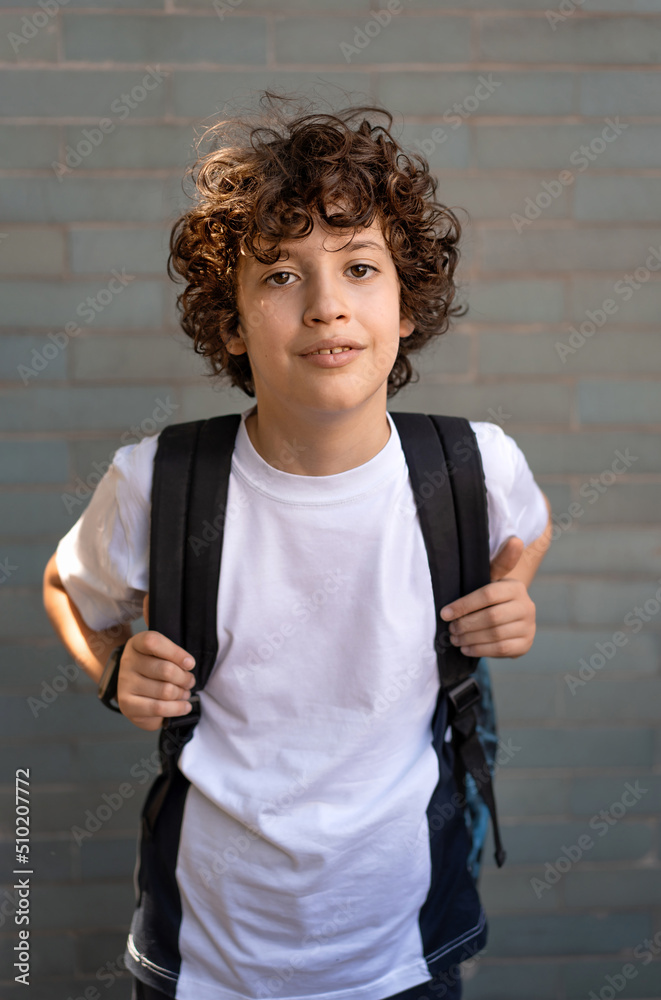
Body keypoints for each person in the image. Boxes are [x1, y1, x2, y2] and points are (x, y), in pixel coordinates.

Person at [43, 94, 553, 1000]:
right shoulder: (159, 480)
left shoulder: (474, 464)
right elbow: (66, 587)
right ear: (232, 323)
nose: (325, 306)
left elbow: (528, 528)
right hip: (207, 959)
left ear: (404, 310)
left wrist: (514, 590)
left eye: (360, 268)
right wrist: (113, 665)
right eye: (279, 276)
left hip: (402, 951)